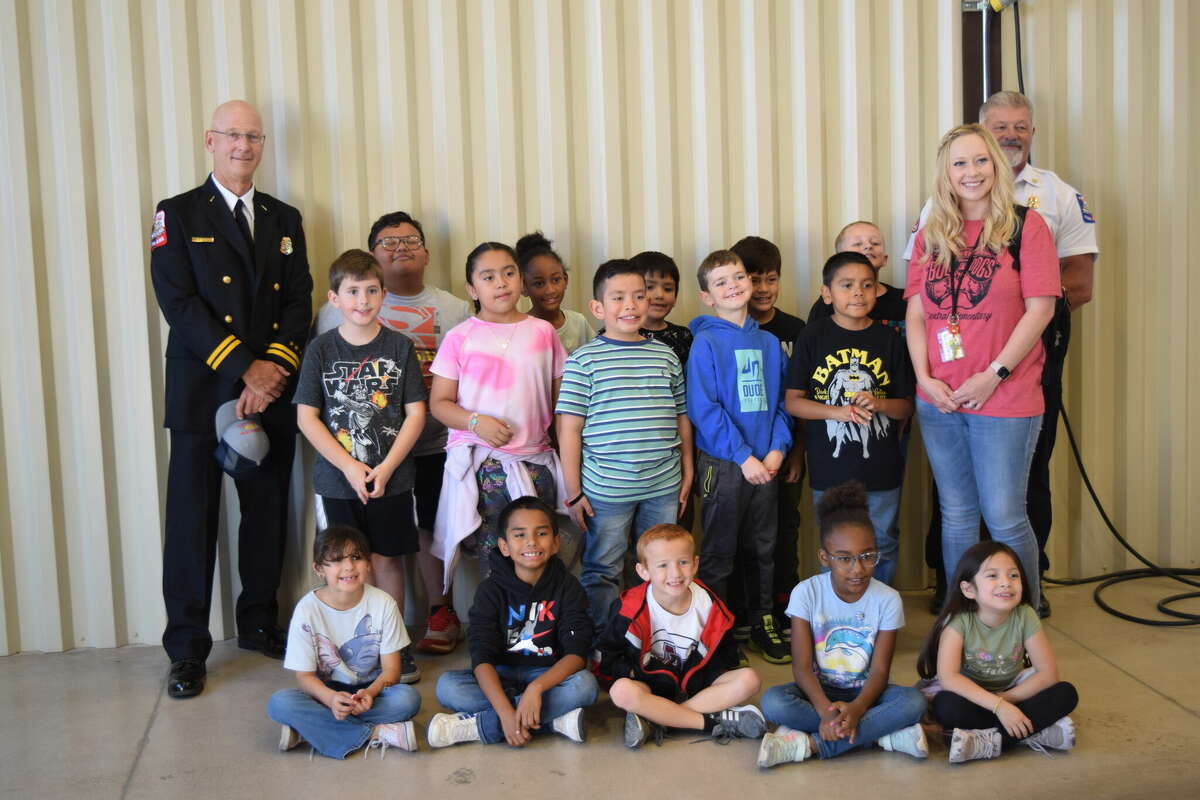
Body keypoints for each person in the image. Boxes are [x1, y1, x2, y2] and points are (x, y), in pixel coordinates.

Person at [907, 92, 1099, 616]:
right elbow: (917, 313)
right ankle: (960, 618)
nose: (972, 172)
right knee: (956, 514)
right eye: (959, 163)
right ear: (945, 173)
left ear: (997, 162)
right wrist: (925, 378)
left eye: (980, 160)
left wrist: (994, 374)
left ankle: (1023, 620)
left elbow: (1040, 310)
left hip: (1005, 395)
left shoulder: (1025, 226)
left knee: (1006, 513)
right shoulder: (931, 233)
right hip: (942, 397)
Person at [150, 100, 312, 698]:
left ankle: (260, 623)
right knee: (193, 520)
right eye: (232, 135)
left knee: (266, 512)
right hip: (203, 390)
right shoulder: (176, 212)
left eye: (253, 136)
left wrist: (273, 371)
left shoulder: (284, 217)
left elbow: (300, 299)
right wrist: (247, 368)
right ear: (209, 141)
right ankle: (187, 648)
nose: (243, 145)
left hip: (270, 389)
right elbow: (179, 303)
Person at [315, 212, 472, 659]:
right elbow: (320, 400)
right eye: (389, 242)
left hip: (435, 439)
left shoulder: (454, 307)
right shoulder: (331, 317)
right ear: (373, 255)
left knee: (432, 532)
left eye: (411, 240)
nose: (401, 248)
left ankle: (440, 612)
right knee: (368, 545)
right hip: (365, 451)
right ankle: (361, 634)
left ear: (425, 251)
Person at [294, 250, 427, 682]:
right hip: (336, 481)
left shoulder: (399, 346)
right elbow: (307, 417)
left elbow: (416, 414)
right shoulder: (321, 349)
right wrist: (350, 466)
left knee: (388, 562)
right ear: (334, 298)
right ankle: (342, 650)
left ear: (384, 294)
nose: (363, 300)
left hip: (392, 478)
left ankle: (395, 647)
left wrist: (386, 468)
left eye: (372, 290)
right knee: (343, 563)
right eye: (353, 291)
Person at [556, 259, 693, 629]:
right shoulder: (584, 361)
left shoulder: (665, 355)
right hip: (606, 490)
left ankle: (654, 636)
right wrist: (573, 491)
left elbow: (682, 417)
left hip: (662, 485)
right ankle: (604, 641)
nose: (630, 305)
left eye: (638, 296)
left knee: (661, 566)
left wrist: (688, 470)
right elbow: (568, 429)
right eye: (618, 298)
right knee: (602, 567)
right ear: (598, 308)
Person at [756, 482, 927, 768]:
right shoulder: (806, 593)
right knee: (774, 702)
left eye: (867, 556)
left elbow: (880, 671)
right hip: (818, 693)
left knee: (914, 702)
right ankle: (882, 736)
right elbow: (801, 668)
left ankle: (810, 743)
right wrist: (825, 711)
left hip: (867, 695)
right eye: (844, 558)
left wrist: (858, 709)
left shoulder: (888, 599)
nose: (858, 569)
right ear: (825, 558)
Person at [429, 243, 569, 586]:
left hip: (536, 465)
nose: (501, 283)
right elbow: (440, 404)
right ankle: (498, 635)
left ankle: (540, 633)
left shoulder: (543, 333)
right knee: (496, 559)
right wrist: (477, 422)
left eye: (509, 273)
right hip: (485, 468)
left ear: (521, 280)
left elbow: (562, 404)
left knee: (539, 555)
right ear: (472, 289)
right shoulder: (459, 338)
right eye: (488, 277)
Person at [687, 250, 792, 664]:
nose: (733, 285)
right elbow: (704, 408)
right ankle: (718, 633)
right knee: (718, 551)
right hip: (726, 465)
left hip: (766, 465)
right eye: (721, 282)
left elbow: (784, 401)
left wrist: (776, 450)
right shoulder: (706, 343)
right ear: (707, 297)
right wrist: (743, 455)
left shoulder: (768, 343)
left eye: (738, 276)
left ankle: (763, 621)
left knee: (764, 546)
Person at [786, 252, 914, 586]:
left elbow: (906, 407)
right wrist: (837, 412)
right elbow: (793, 402)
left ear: (876, 290)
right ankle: (835, 620)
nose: (858, 293)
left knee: (882, 540)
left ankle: (878, 616)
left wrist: (879, 403)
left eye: (866, 285)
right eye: (847, 285)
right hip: (830, 468)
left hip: (882, 467)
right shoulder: (812, 337)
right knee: (836, 544)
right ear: (827, 294)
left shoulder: (890, 339)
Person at [428, 498, 597, 747]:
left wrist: (536, 688)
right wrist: (505, 711)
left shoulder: (568, 588)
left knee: (585, 685)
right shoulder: (490, 590)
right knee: (448, 687)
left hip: (547, 675)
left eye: (541, 533)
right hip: (501, 674)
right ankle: (551, 722)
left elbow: (577, 654)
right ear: (504, 546)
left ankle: (479, 726)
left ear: (555, 543)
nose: (531, 542)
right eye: (519, 535)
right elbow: (481, 656)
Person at [596, 523, 766, 747]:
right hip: (648, 685)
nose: (675, 573)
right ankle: (707, 722)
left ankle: (658, 720)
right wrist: (627, 672)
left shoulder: (709, 605)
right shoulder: (629, 608)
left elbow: (726, 654)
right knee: (621, 692)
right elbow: (607, 655)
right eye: (663, 565)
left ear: (695, 564)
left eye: (683, 562)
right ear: (643, 571)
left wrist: (714, 676)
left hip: (696, 687)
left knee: (750, 679)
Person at [916, 540, 1078, 763]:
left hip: (1012, 692)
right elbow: (949, 678)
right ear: (968, 589)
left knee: (1066, 693)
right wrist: (998, 707)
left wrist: (1005, 702)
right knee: (947, 706)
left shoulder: (1025, 615)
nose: (1006, 583)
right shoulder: (958, 623)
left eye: (1013, 575)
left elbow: (1048, 673)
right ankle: (1032, 733)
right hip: (971, 696)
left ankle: (985, 741)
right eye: (992, 576)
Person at [267, 525, 421, 758]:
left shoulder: (383, 603)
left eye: (356, 558)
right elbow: (304, 678)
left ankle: (309, 731)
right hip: (324, 693)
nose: (348, 567)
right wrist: (330, 699)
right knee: (279, 703)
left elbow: (392, 671)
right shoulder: (307, 609)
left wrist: (369, 693)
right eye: (337, 560)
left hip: (370, 692)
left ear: (368, 564)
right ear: (319, 569)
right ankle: (377, 733)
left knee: (408, 699)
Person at [731, 235, 805, 634]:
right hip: (741, 458)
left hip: (785, 453)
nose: (761, 289)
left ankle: (782, 607)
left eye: (770, 279)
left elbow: (801, 398)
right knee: (743, 534)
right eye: (751, 279)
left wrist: (796, 454)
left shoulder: (795, 329)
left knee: (784, 530)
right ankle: (744, 610)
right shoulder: (727, 332)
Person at [808, 221, 908, 332]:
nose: (868, 246)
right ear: (839, 259)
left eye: (875, 243)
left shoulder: (905, 300)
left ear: (885, 259)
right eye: (857, 244)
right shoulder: (830, 302)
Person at [516, 231, 594, 354]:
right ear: (523, 287)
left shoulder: (578, 323)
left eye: (556, 280)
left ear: (565, 279)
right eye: (539, 283)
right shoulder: (520, 329)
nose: (550, 290)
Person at [629, 250, 693, 367]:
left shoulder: (684, 336)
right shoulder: (617, 333)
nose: (659, 295)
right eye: (649, 287)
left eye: (668, 289)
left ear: (675, 298)